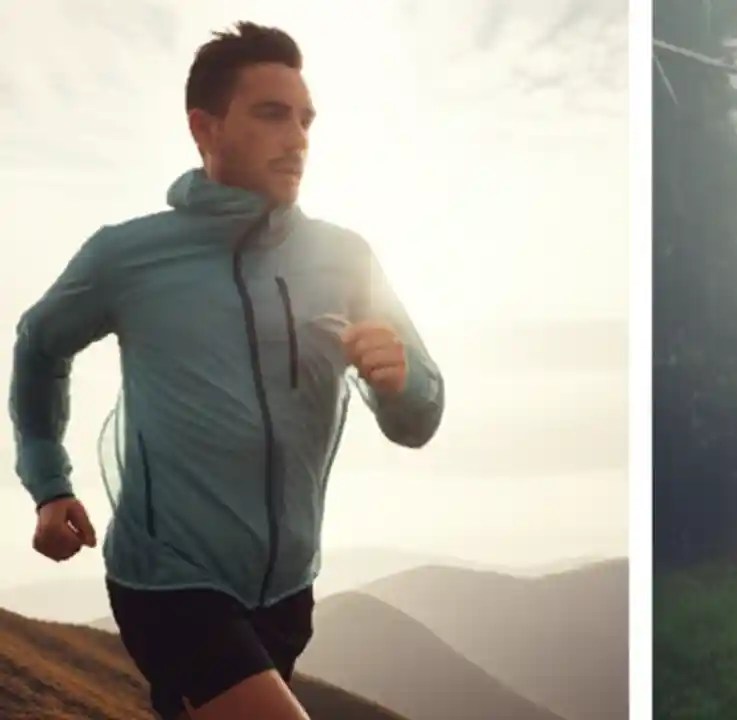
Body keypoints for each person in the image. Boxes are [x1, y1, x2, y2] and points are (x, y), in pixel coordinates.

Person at [10, 21, 444, 720]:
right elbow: (38, 346)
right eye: (272, 114)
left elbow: (418, 420)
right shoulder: (127, 257)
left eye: (305, 119)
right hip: (168, 581)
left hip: (288, 591)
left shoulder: (345, 259)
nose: (297, 138)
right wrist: (48, 483)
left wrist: (400, 384)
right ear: (204, 127)